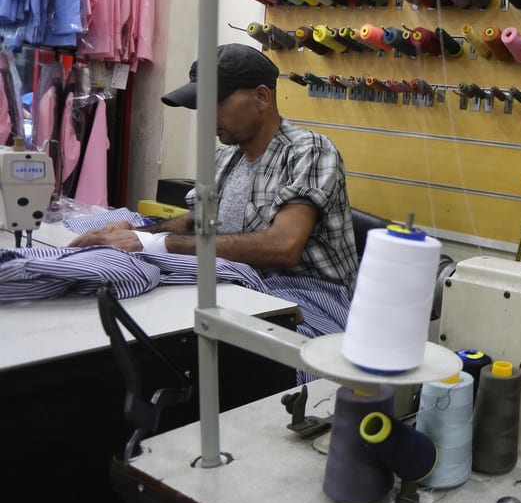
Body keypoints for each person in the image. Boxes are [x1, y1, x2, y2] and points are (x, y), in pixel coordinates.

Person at [69, 43, 358, 337]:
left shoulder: (309, 151)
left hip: (306, 301)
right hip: (241, 285)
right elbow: (196, 222)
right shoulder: (225, 156)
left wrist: (160, 243)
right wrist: (137, 233)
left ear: (261, 97)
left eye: (215, 105)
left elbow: (283, 246)